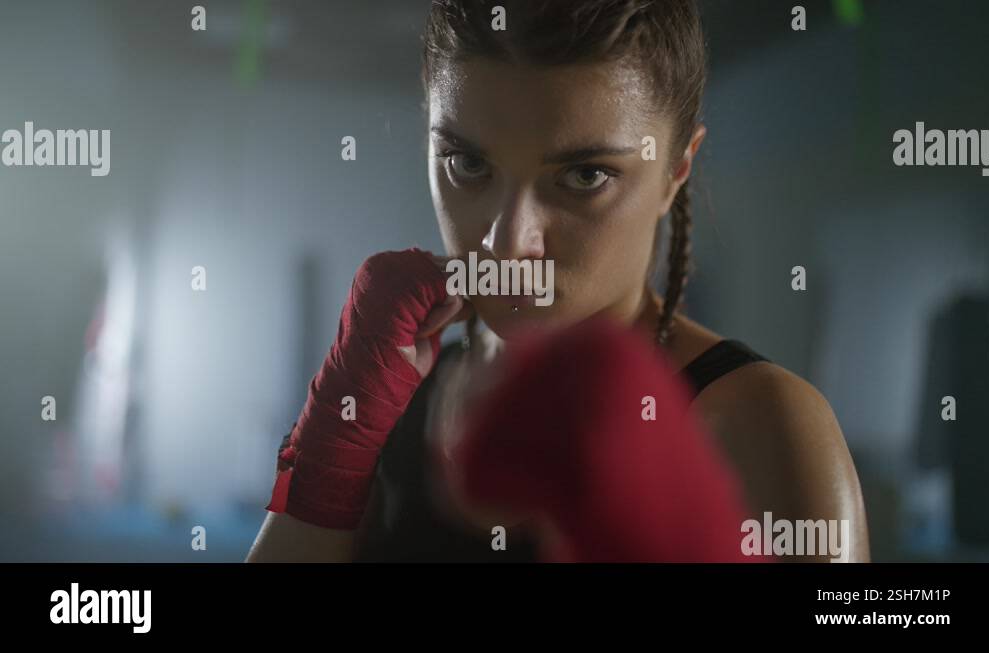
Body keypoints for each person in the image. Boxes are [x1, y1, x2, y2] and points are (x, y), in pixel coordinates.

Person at [246, 0, 869, 563]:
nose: (509, 242)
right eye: (468, 163)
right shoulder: (391, 396)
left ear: (677, 169)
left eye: (584, 176)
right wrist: (330, 450)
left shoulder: (762, 424)